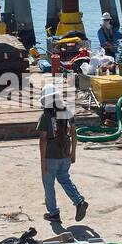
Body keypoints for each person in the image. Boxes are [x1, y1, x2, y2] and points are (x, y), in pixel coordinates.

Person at [36, 83, 88, 223]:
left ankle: (53, 213)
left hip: (51, 155)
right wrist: (73, 154)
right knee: (64, 179)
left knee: (49, 184)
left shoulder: (45, 116)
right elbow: (74, 134)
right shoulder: (67, 112)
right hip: (65, 153)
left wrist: (42, 163)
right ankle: (78, 201)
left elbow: (43, 140)